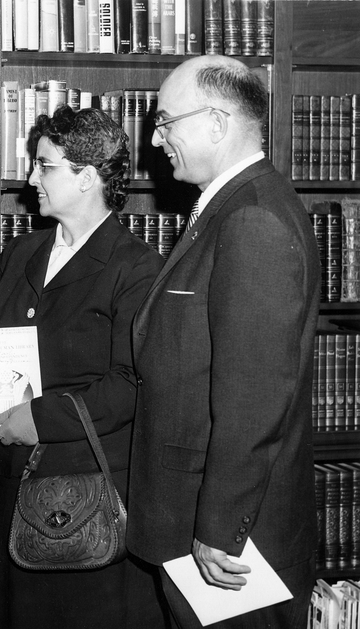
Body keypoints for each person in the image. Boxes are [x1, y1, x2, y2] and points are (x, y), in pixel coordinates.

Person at [127, 55, 321, 628]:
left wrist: (220, 527)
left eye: (165, 122)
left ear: (215, 123)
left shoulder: (252, 218)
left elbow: (254, 395)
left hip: (230, 547)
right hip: (196, 517)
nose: (157, 141)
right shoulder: (232, 205)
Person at [0, 105, 167, 628]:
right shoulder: (19, 253)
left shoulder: (137, 269)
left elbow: (131, 385)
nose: (30, 179)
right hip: (6, 490)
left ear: (88, 177)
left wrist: (40, 419)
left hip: (81, 500)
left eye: (45, 166)